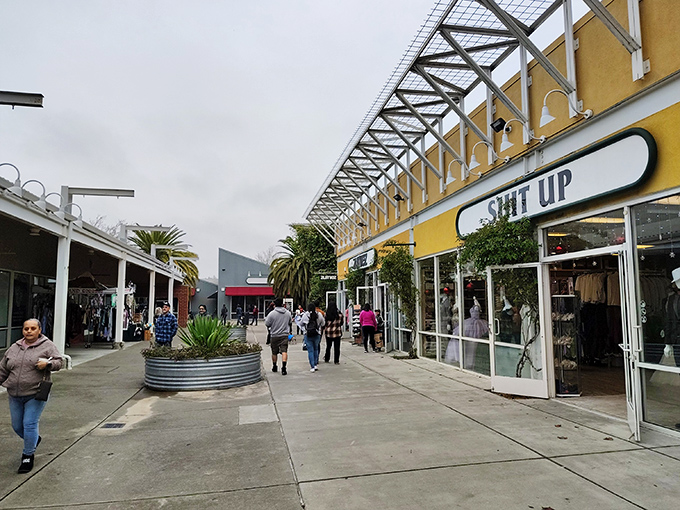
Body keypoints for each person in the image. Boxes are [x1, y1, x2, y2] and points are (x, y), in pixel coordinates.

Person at [0, 319, 63, 473]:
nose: (29, 331)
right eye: (26, 328)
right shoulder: (14, 347)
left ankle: (28, 455)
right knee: (17, 426)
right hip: (14, 393)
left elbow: (59, 362)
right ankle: (33, 440)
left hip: (35, 393)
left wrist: (47, 364)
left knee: (29, 424)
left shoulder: (47, 346)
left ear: (39, 330)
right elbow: (3, 368)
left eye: (33, 328)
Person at [264, 297, 292, 375]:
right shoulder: (287, 313)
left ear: (275, 305)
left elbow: (267, 323)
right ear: (283, 304)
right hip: (284, 335)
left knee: (274, 352)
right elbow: (290, 322)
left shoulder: (272, 314)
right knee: (284, 351)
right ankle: (284, 367)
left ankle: (274, 366)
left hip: (274, 335)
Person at [299, 302, 325, 372]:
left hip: (308, 334)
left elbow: (301, 324)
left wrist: (304, 330)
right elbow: (323, 324)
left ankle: (312, 366)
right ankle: (316, 364)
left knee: (310, 350)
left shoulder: (305, 315)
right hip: (317, 334)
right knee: (316, 349)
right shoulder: (319, 314)